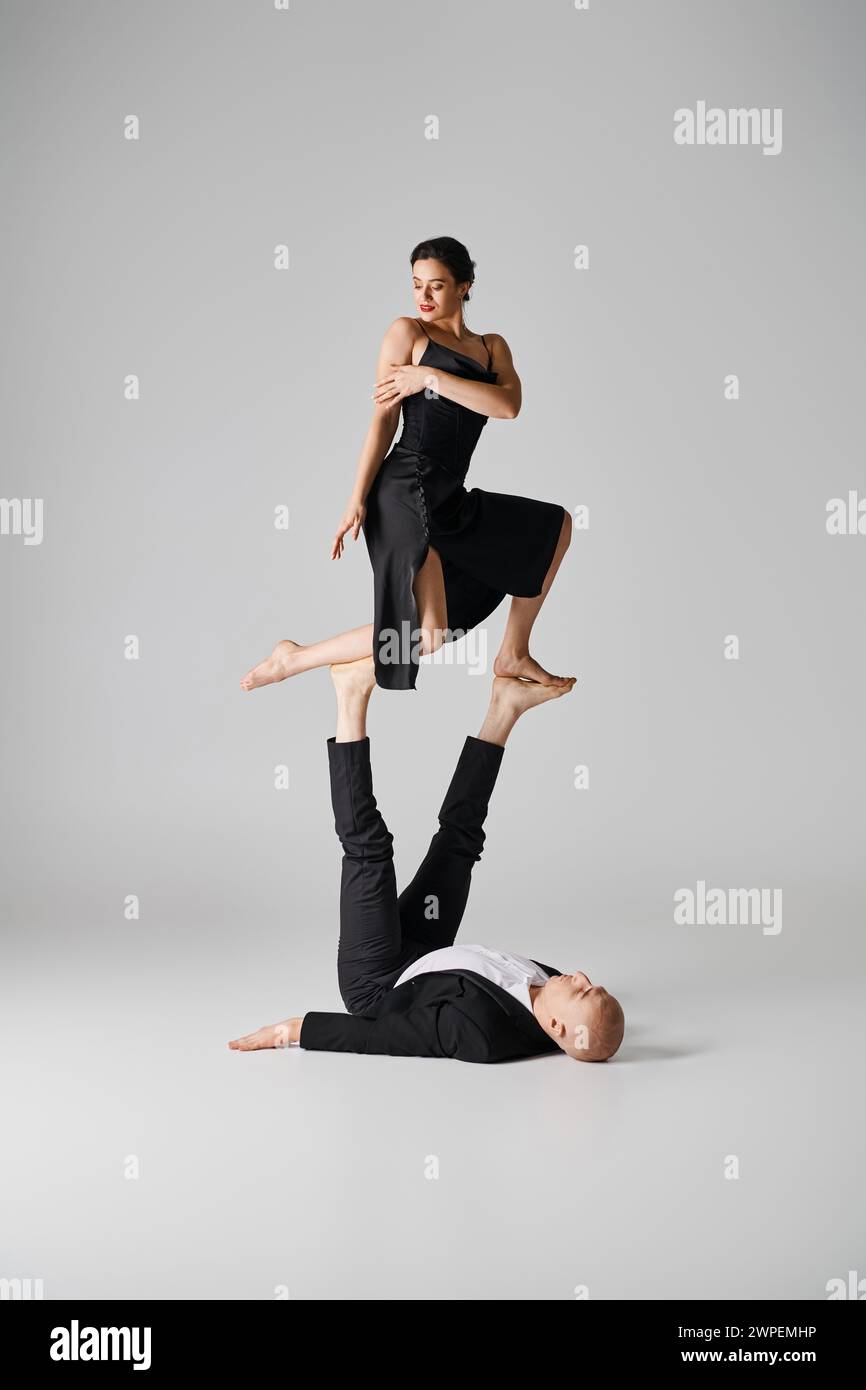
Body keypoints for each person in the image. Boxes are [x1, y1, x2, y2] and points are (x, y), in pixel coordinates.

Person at [229, 657, 624, 1064]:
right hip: (426, 951)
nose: (581, 976)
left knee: (370, 849)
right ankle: (504, 708)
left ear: (558, 1027)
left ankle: (350, 696)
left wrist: (295, 1030)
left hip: (378, 980)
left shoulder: (480, 1035)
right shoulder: (552, 990)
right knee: (460, 843)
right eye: (592, 984)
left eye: (582, 990)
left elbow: (386, 1036)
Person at [240, 235, 574, 694]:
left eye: (436, 286)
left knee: (553, 527)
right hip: (402, 489)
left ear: (464, 286)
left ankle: (514, 651)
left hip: (449, 497)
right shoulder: (407, 333)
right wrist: (355, 500)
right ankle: (294, 658)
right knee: (430, 634)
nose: (423, 297)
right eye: (416, 285)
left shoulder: (493, 347)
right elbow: (381, 422)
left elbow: (508, 405)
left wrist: (430, 377)